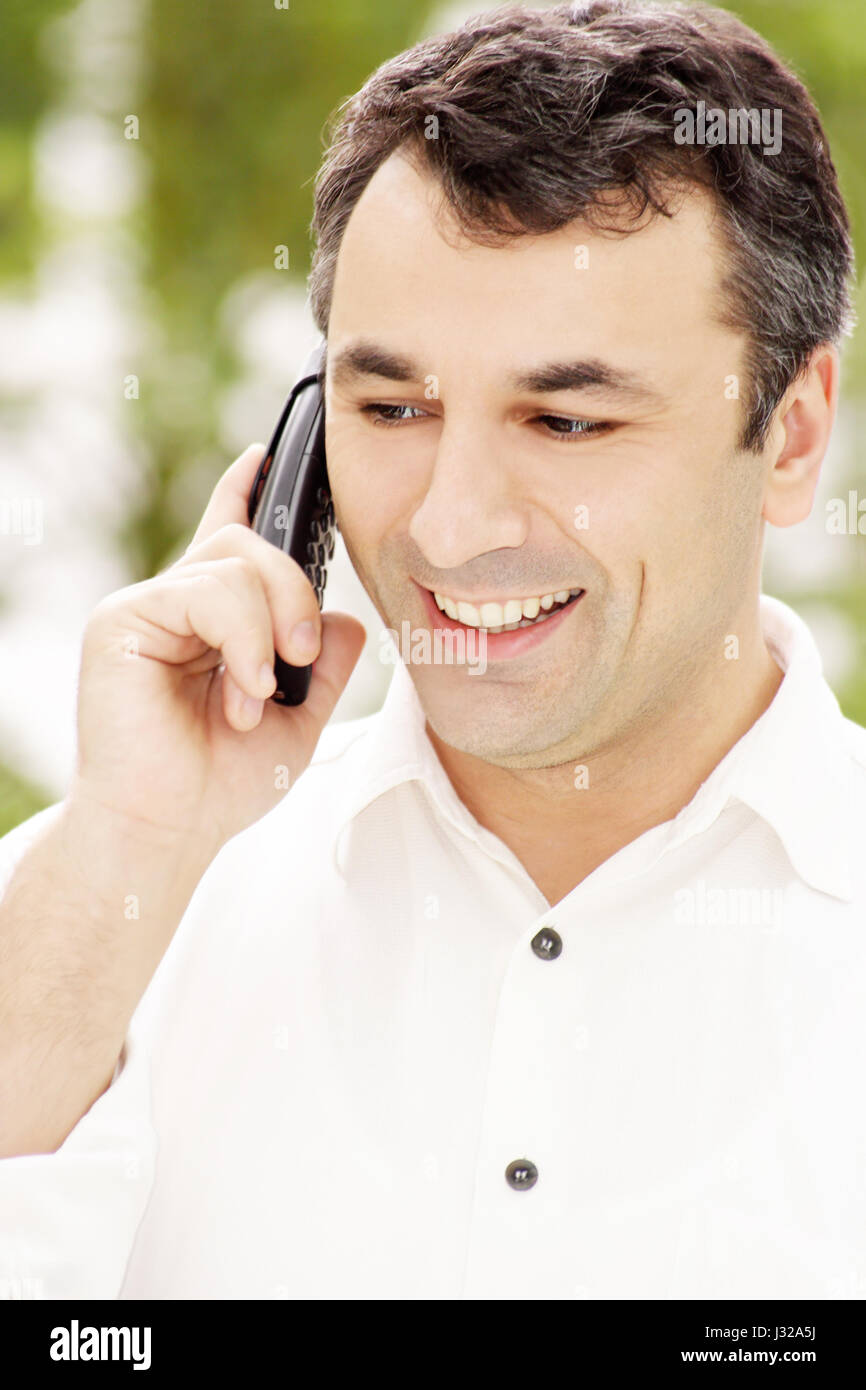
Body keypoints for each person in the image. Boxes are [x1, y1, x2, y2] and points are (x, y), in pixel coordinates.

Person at [1, 0, 864, 1300]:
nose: (450, 526)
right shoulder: (110, 896)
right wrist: (125, 854)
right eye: (392, 406)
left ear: (790, 437)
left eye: (566, 420)